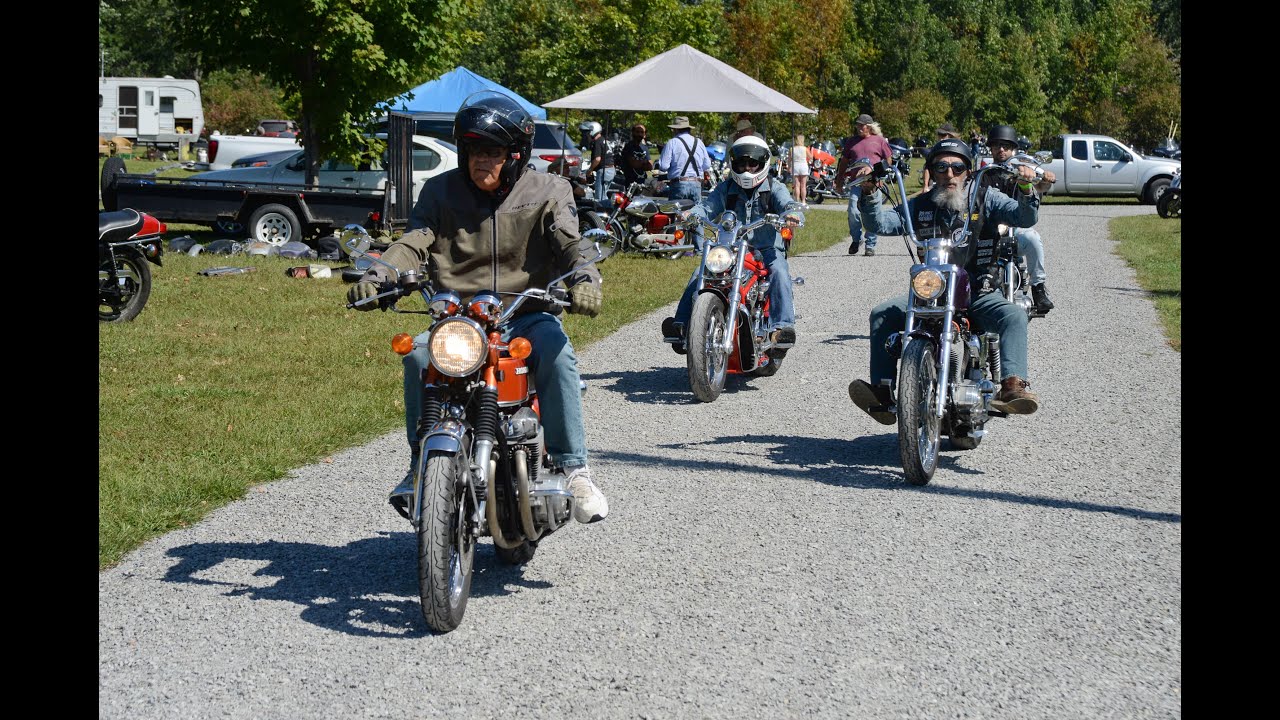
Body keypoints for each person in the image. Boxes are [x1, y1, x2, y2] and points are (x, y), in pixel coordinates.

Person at [347, 90, 609, 524]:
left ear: (517, 154)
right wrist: (379, 275)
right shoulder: (439, 191)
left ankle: (573, 466)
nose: (480, 161)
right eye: (471, 151)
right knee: (416, 354)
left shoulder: (549, 189)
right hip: (458, 320)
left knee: (558, 353)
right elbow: (414, 242)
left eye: (491, 151)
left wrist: (585, 278)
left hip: (524, 312)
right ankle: (420, 464)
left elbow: (570, 242)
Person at [845, 138, 1043, 422]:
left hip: (978, 290)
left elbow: (1024, 217)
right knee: (881, 315)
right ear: (932, 172)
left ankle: (1012, 386)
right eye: (941, 167)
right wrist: (869, 193)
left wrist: (1026, 187)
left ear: (968, 171)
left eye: (957, 167)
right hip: (931, 291)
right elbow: (880, 224)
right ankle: (883, 392)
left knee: (1013, 315)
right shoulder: (921, 205)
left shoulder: (986, 198)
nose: (949, 174)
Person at [660, 135, 804, 355]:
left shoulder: (773, 187)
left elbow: (787, 202)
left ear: (763, 162)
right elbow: (707, 207)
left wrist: (791, 213)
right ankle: (681, 325)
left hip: (766, 249)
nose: (746, 169)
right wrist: (691, 214)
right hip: (732, 248)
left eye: (752, 163)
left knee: (780, 272)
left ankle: (782, 327)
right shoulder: (725, 188)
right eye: (741, 163)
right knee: (700, 273)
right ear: (733, 163)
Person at [985, 124, 1056, 313]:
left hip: (1015, 228)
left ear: (1013, 149)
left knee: (1033, 238)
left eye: (1006, 146)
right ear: (991, 148)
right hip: (987, 231)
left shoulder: (1021, 170)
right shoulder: (984, 173)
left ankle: (1039, 290)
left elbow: (1040, 187)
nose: (1001, 149)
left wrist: (1045, 179)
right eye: (997, 145)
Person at [834, 113, 893, 256]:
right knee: (853, 210)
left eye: (862, 125)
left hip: (874, 184)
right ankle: (856, 239)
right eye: (858, 124)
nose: (859, 127)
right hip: (856, 183)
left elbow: (889, 160)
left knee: (873, 214)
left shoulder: (879, 141)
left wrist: (878, 173)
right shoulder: (851, 142)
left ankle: (870, 245)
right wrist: (839, 179)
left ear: (869, 126)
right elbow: (843, 162)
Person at [656, 116, 712, 202]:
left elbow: (663, 166)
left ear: (676, 129)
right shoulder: (699, 142)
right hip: (696, 184)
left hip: (678, 185)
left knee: (676, 214)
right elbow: (707, 165)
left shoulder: (672, 142)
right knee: (694, 214)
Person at [579, 120, 616, 203]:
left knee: (599, 198)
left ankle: (601, 214)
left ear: (593, 131)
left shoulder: (597, 142)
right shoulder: (603, 140)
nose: (587, 135)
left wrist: (590, 170)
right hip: (610, 170)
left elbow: (597, 159)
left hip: (604, 171)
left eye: (588, 132)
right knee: (604, 195)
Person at [922, 122, 961, 192]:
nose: (941, 138)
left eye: (943, 135)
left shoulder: (960, 150)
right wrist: (925, 186)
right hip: (937, 184)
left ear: (951, 136)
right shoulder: (934, 151)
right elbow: (927, 168)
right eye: (939, 134)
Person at [790, 133, 811, 207]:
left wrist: (789, 166)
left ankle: (797, 200)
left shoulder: (792, 149)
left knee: (797, 185)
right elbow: (810, 157)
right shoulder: (805, 148)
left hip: (795, 166)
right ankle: (803, 201)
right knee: (803, 185)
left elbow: (789, 159)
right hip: (803, 166)